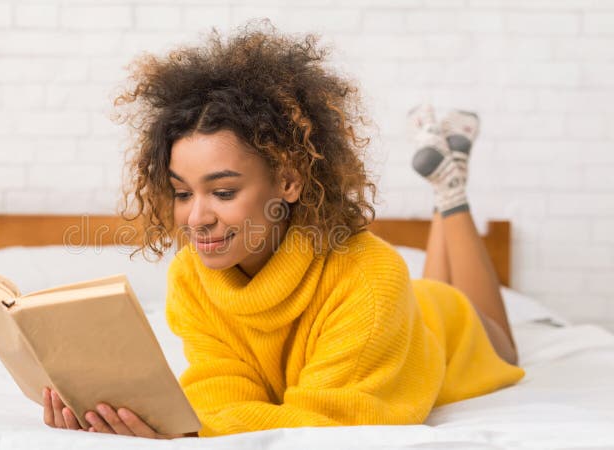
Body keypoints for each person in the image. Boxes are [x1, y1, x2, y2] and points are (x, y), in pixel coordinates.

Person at [42, 21, 525, 439]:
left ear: (290, 180)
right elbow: (221, 390)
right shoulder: (191, 276)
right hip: (389, 314)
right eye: (184, 193)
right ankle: (446, 177)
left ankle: (451, 195)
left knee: (500, 336)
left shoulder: (372, 279)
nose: (196, 218)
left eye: (224, 192)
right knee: (427, 285)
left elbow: (331, 421)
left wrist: (190, 430)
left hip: (443, 328)